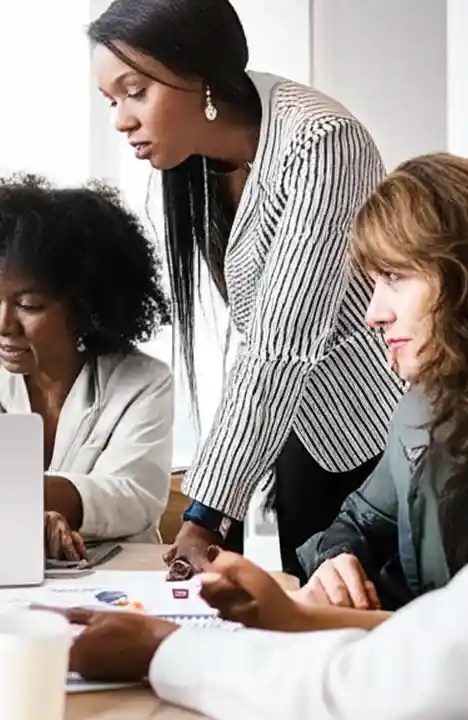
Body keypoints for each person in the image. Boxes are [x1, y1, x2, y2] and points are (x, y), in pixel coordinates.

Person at [64, 59, 468, 717]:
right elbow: (462, 632)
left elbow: (397, 688)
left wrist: (160, 650)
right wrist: (289, 612)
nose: (374, 312)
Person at [89, 0, 403, 579]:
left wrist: (207, 512)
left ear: (199, 72)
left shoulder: (321, 143)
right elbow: (256, 336)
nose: (120, 119)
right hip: (299, 435)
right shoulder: (202, 160)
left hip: (375, 441)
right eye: (111, 100)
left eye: (135, 92)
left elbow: (281, 343)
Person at [289, 153, 468, 620]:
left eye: (394, 277)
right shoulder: (421, 404)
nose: (374, 314)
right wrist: (337, 563)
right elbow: (360, 519)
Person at [0, 175, 174, 560]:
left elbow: (134, 496)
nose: (3, 325)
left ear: (85, 308)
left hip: (119, 581)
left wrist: (6, 497)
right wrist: (22, 507)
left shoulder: (143, 382)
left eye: (29, 305)